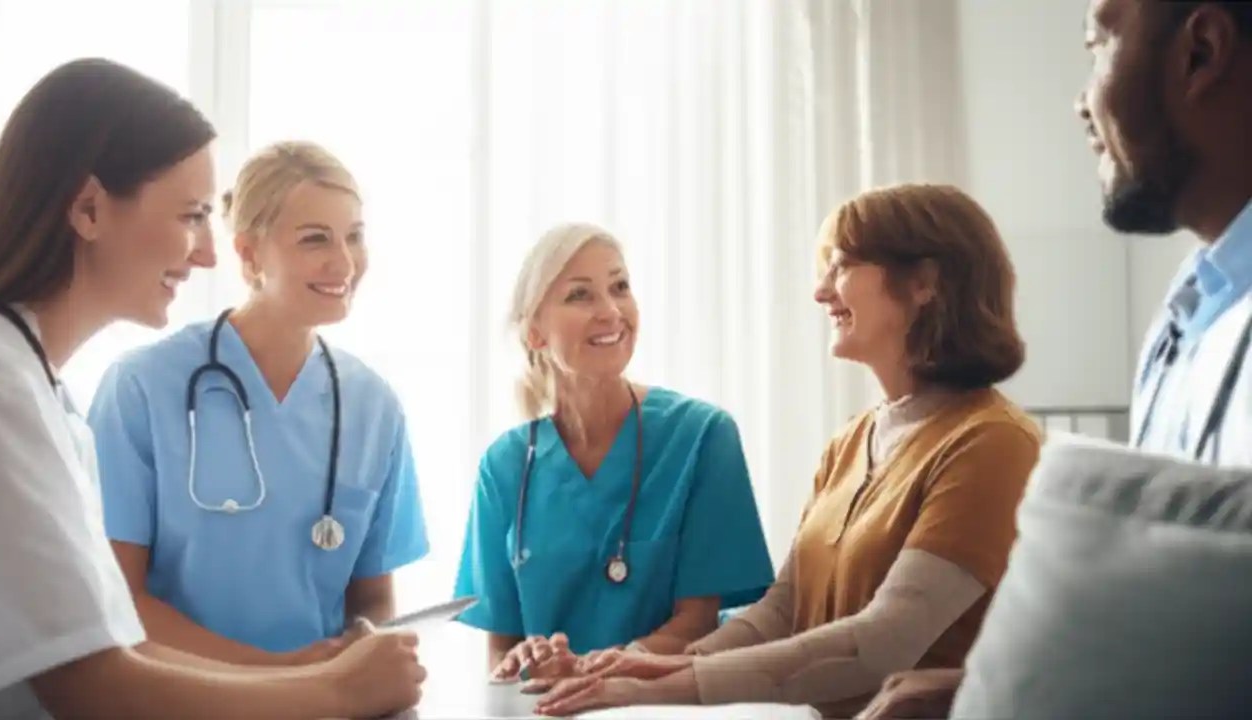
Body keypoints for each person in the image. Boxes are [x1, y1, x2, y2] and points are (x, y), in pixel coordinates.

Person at [0, 59, 423, 719]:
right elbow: (89, 685)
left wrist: (306, 675)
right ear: (89, 209)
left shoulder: (36, 390)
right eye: (191, 216)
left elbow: (116, 647)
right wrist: (333, 691)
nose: (209, 254)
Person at [858, 0, 1252, 717]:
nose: (1080, 102)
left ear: (1200, 53)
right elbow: (1172, 623)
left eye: (1098, 45)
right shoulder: (1189, 311)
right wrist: (985, 688)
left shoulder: (986, 440)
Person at [529, 185, 1042, 718]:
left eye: (841, 266)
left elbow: (882, 643)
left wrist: (662, 687)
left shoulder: (992, 443)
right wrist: (660, 666)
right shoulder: (851, 441)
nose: (820, 292)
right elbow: (782, 610)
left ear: (924, 283)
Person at [85, 140, 430, 666]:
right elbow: (116, 600)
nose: (344, 262)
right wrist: (277, 676)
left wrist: (364, 644)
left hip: (323, 699)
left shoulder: (373, 406)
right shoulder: (141, 388)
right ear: (248, 254)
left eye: (355, 236)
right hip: (184, 696)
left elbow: (372, 601)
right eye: (315, 239)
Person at [452, 222, 775, 678]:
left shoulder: (702, 437)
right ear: (535, 333)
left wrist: (592, 671)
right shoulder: (504, 466)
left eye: (620, 287)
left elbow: (699, 623)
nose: (610, 311)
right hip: (547, 705)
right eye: (580, 295)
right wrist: (524, 662)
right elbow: (501, 651)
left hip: (664, 701)